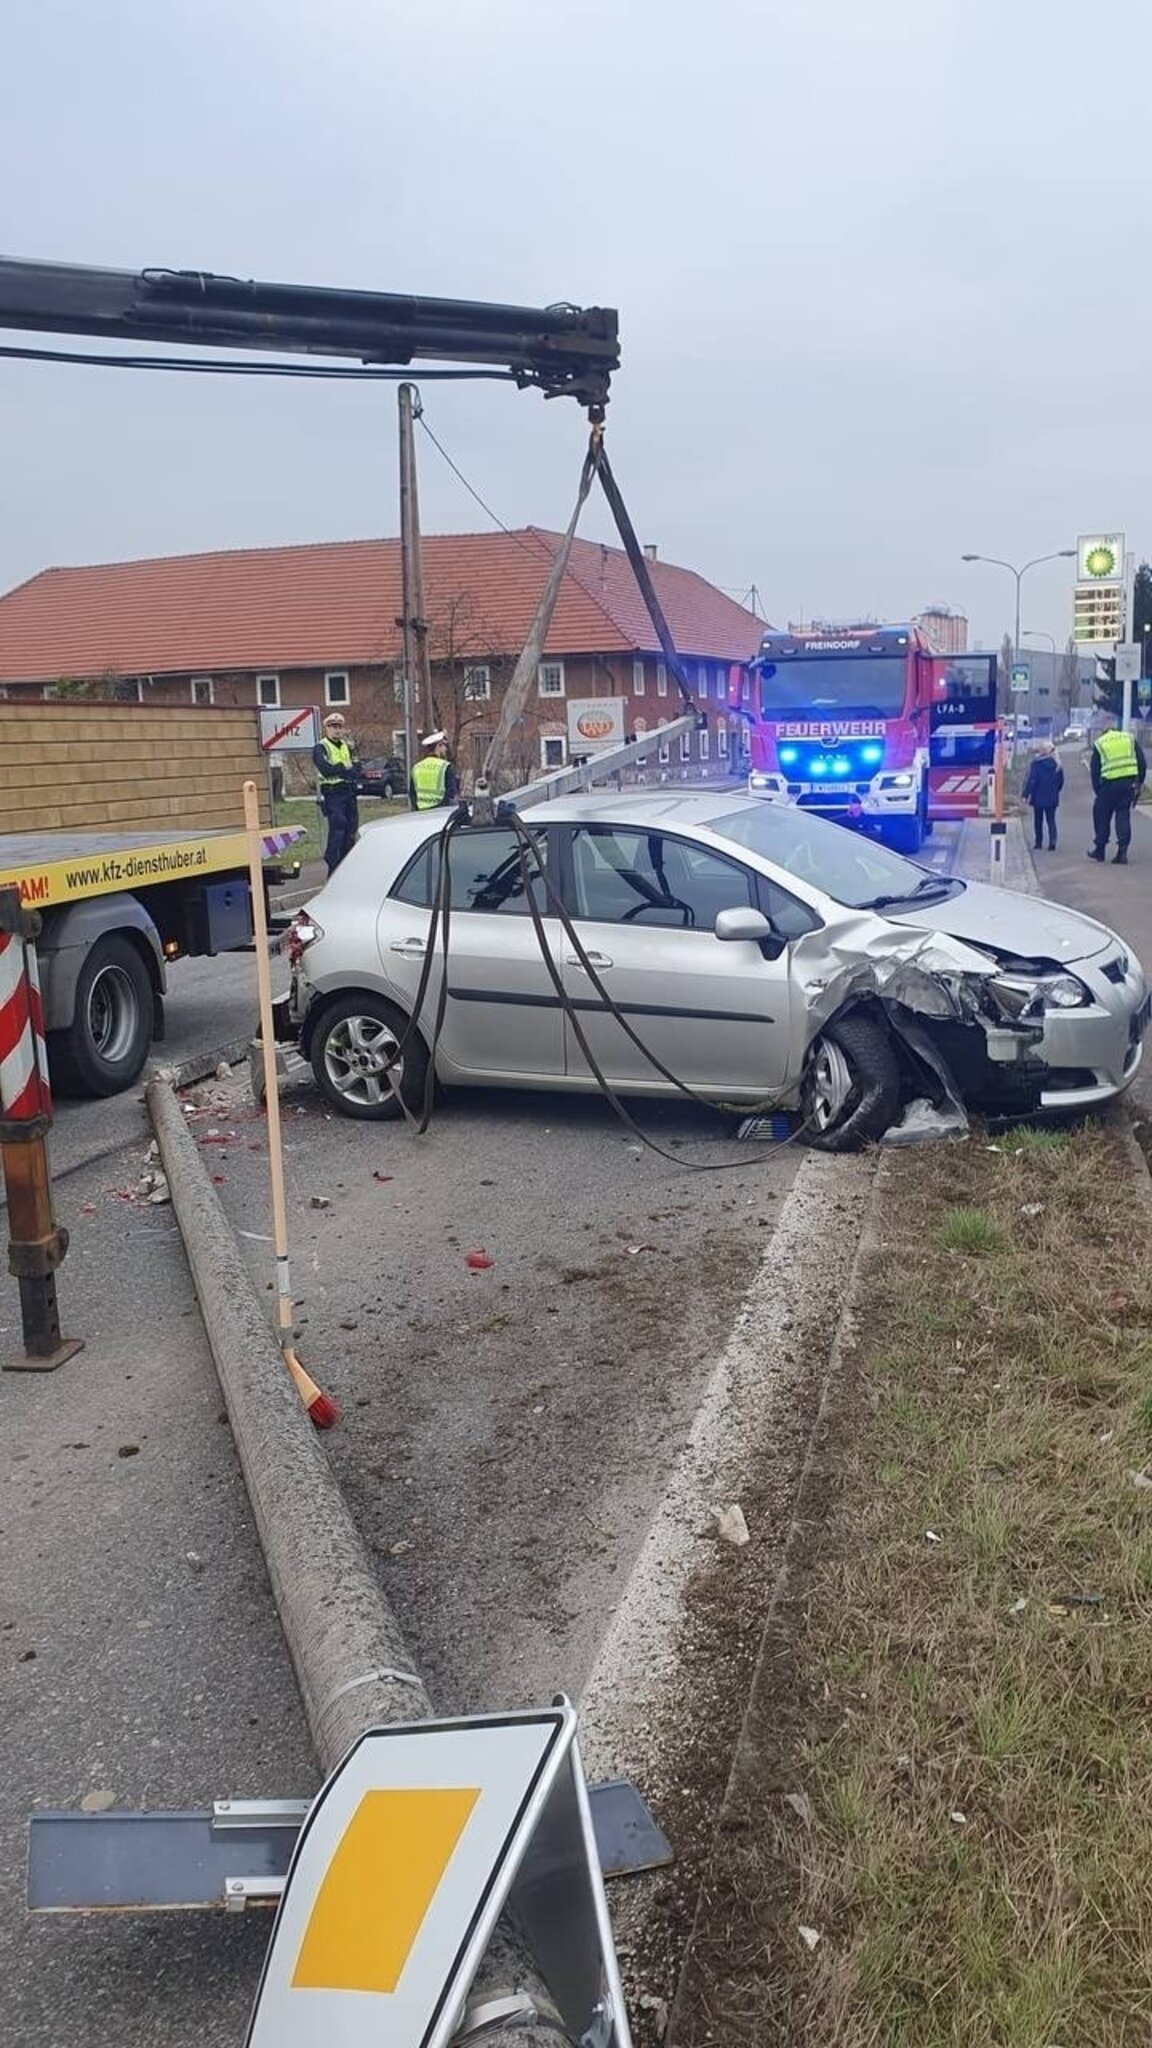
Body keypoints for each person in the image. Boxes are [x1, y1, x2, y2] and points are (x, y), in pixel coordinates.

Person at [1088, 714, 1146, 865]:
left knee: (1101, 815)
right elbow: (1142, 762)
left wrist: (1098, 791)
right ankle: (1122, 852)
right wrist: (1139, 782)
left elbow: (1094, 771)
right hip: (1127, 785)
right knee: (1123, 816)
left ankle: (1100, 850)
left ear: (1103, 729)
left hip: (1108, 786)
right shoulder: (1129, 738)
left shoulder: (1100, 743)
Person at [312, 712, 360, 876]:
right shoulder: (321, 747)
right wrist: (343, 767)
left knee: (350, 832)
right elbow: (326, 771)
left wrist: (346, 769)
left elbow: (356, 769)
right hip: (334, 795)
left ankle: (347, 868)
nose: (337, 730)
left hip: (349, 793)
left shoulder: (347, 746)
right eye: (333, 727)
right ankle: (332, 869)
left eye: (339, 727)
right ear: (326, 728)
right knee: (338, 831)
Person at [1021, 740, 1063, 851]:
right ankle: (1052, 841)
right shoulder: (1057, 764)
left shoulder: (1036, 764)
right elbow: (1060, 782)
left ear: (1041, 751)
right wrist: (1055, 791)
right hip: (1052, 797)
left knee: (1038, 820)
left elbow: (1032, 781)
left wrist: (1025, 794)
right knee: (1051, 820)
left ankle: (1038, 842)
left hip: (1038, 796)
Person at [409, 729, 459, 810]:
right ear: (438, 746)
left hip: (420, 812)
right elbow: (451, 793)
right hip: (439, 813)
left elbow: (412, 794)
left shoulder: (416, 767)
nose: (445, 749)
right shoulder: (445, 766)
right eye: (443, 746)